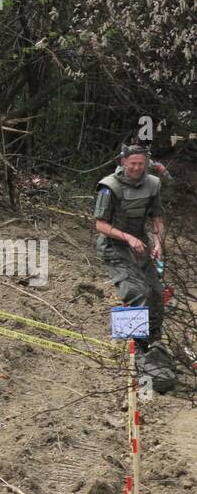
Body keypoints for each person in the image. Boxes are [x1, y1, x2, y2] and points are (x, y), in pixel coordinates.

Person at [94, 144, 176, 391]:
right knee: (137, 293)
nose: (137, 168)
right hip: (114, 247)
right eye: (133, 164)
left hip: (141, 247)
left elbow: (157, 217)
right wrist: (127, 238)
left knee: (155, 294)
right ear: (124, 162)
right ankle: (136, 354)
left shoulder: (153, 184)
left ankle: (153, 345)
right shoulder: (109, 186)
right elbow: (100, 225)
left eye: (141, 164)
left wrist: (159, 243)